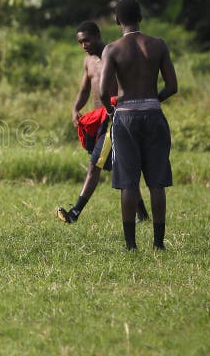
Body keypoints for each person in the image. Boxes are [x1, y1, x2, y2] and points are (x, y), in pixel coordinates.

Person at [99, 0, 177, 250]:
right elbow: (172, 86)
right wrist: (154, 99)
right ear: (140, 18)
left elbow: (102, 91)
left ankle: (130, 244)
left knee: (128, 183)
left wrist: (113, 110)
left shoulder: (112, 49)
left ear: (117, 21)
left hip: (126, 117)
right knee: (156, 182)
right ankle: (158, 243)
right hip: (154, 115)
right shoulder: (158, 45)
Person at [56, 21, 149, 224]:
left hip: (116, 119)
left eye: (87, 40)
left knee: (94, 165)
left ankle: (75, 213)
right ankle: (142, 213)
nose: (84, 46)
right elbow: (85, 90)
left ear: (97, 36)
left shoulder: (113, 54)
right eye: (80, 42)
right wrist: (75, 109)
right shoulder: (88, 62)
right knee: (122, 167)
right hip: (100, 120)